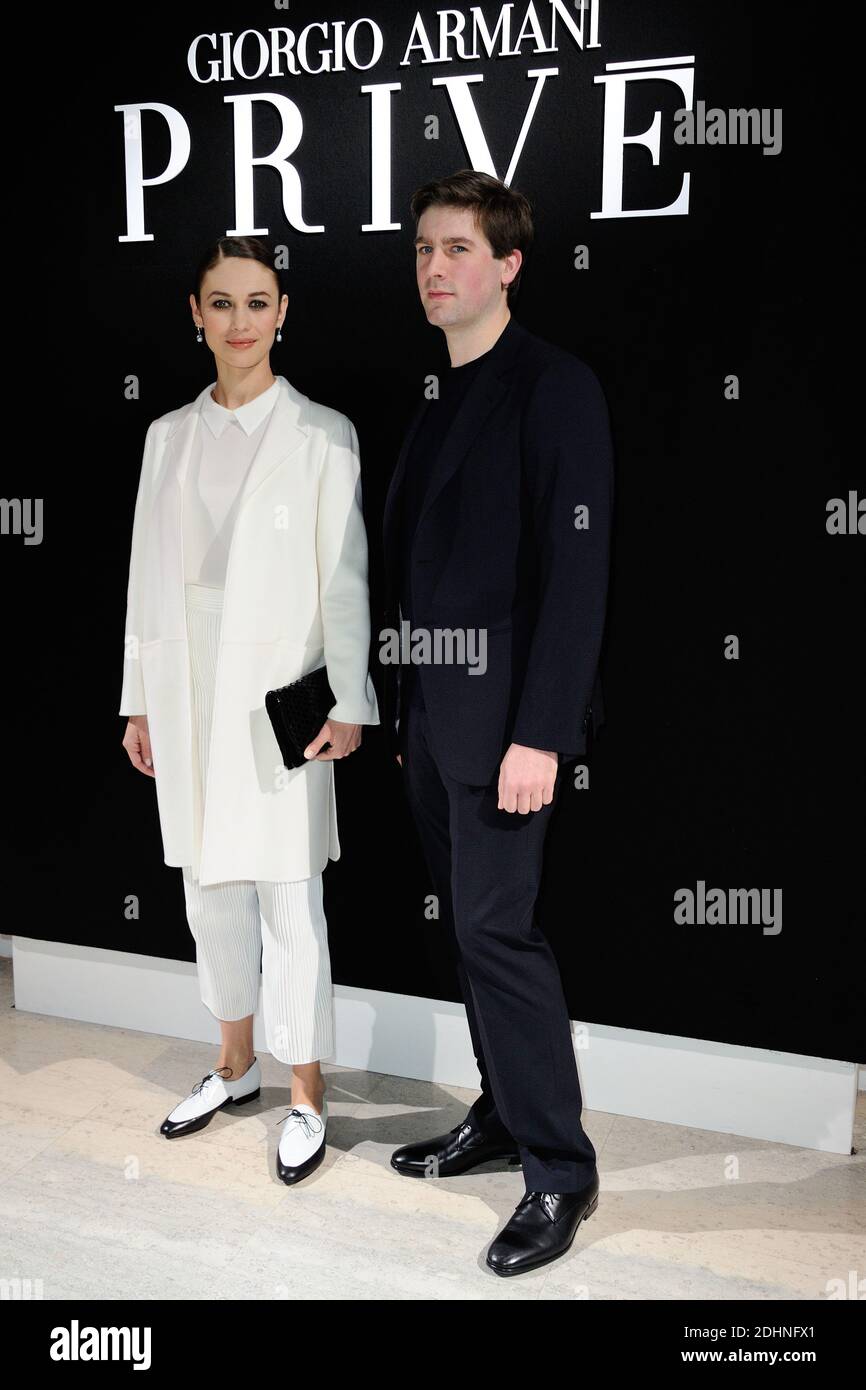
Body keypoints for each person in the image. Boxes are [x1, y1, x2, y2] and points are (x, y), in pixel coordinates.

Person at [381, 170, 614, 1276]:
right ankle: (501, 1111)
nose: (436, 267)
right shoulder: (436, 396)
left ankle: (560, 1173)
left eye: (459, 250)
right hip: (431, 721)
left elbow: (576, 576)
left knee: (499, 937)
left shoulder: (552, 386)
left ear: (510, 264)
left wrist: (543, 734)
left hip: (509, 731)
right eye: (425, 249)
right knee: (468, 936)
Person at [119, 235, 379, 1185]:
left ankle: (305, 1091)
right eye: (221, 304)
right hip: (185, 690)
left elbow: (344, 579)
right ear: (196, 314)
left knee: (290, 897)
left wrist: (350, 699)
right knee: (205, 890)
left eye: (257, 302)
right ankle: (233, 1068)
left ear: (283, 314)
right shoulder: (166, 438)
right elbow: (146, 575)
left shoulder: (323, 433)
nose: (240, 322)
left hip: (282, 699)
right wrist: (137, 697)